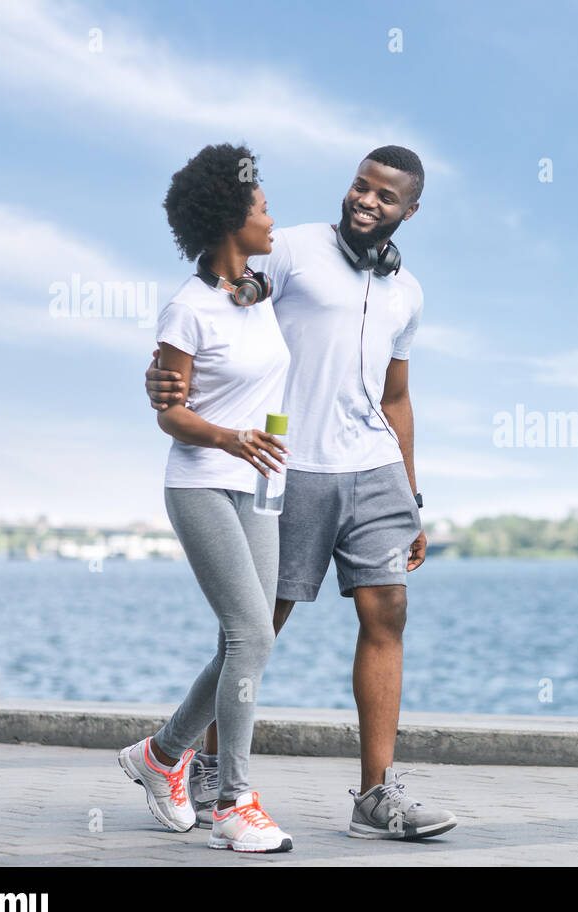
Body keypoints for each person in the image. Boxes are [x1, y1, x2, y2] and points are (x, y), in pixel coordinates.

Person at [146, 146, 457, 840]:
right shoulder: (290, 251)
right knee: (259, 628)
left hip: (375, 467)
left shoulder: (408, 292)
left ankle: (376, 795)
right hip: (290, 464)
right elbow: (221, 298)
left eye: (384, 197)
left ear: (409, 211)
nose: (366, 202)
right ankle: (202, 762)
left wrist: (412, 496)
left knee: (389, 613)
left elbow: (398, 395)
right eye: (360, 187)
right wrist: (164, 376)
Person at [119, 143, 294, 853]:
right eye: (261, 209)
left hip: (261, 485)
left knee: (249, 639)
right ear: (230, 222)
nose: (272, 218)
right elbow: (170, 411)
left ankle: (160, 756)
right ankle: (234, 802)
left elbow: (267, 283)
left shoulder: (253, 287)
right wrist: (229, 438)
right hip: (202, 482)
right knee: (250, 634)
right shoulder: (187, 308)